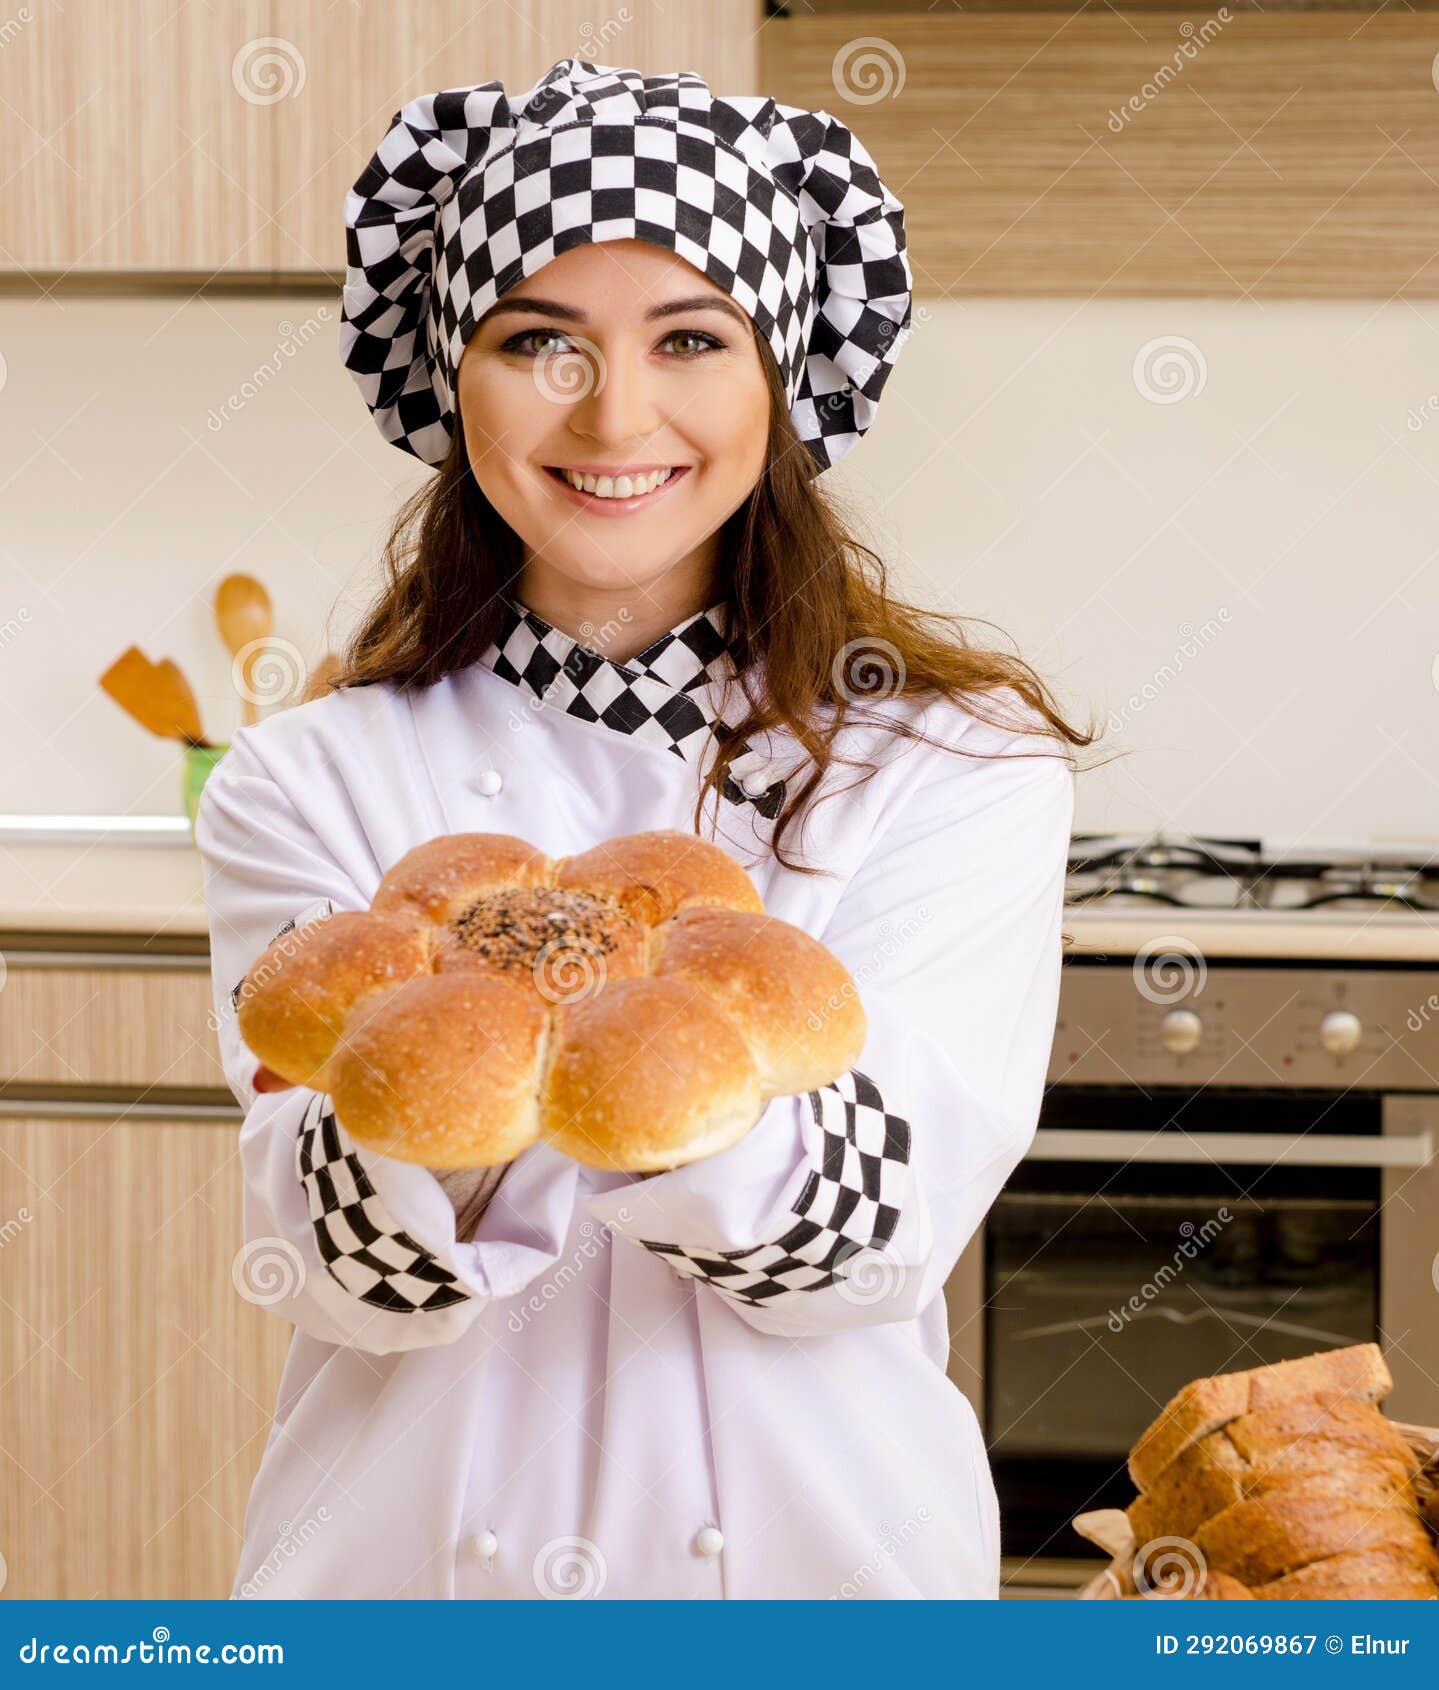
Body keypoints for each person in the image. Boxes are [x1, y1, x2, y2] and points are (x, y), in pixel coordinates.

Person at [195, 55, 1093, 1601]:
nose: (616, 413)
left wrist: (489, 1057)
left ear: (782, 384)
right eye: (539, 342)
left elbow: (866, 1246)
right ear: (448, 378)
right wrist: (691, 1067)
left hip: (827, 1577)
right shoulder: (304, 776)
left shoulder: (952, 763)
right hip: (399, 1576)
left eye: (692, 337)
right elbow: (349, 1264)